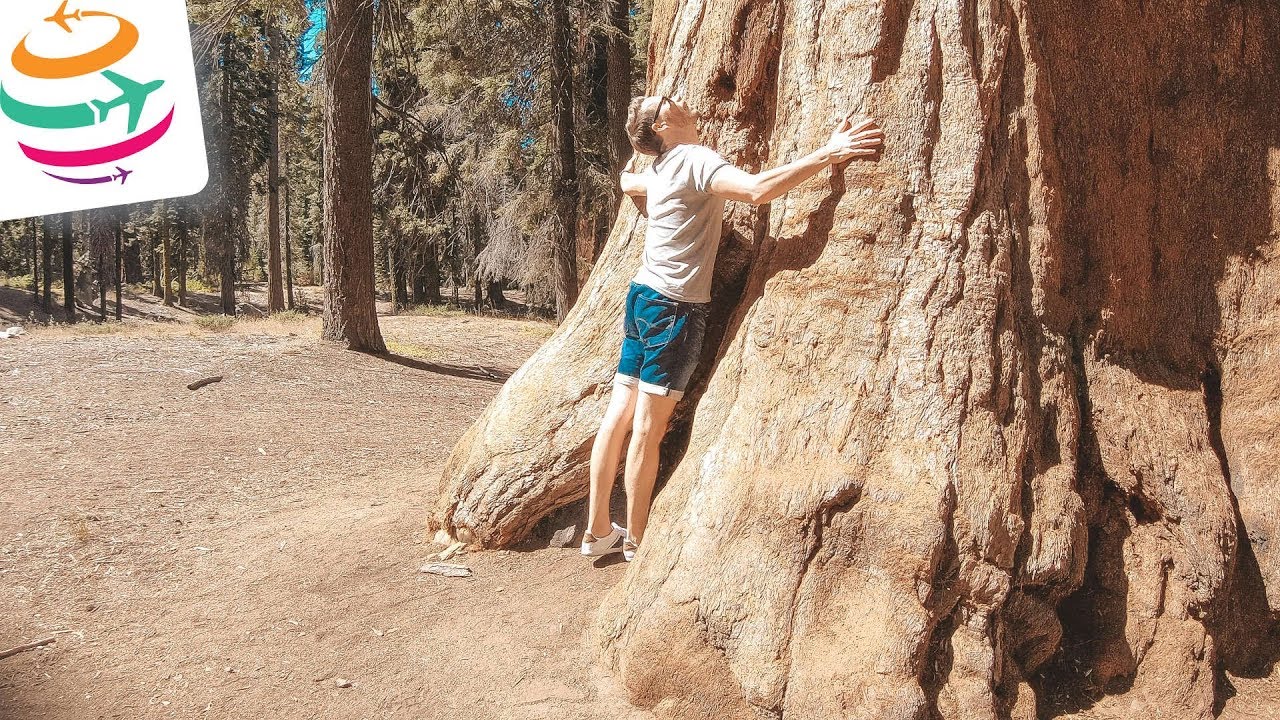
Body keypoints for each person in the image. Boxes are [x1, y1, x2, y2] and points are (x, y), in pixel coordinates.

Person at [581, 93, 884, 562]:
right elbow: (758, 189)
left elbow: (629, 183)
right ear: (661, 127)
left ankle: (597, 529)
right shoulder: (694, 158)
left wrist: (627, 175)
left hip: (642, 297)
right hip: (674, 309)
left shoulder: (658, 168)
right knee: (647, 428)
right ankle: (636, 542)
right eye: (667, 101)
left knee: (619, 414)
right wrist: (830, 152)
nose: (679, 99)